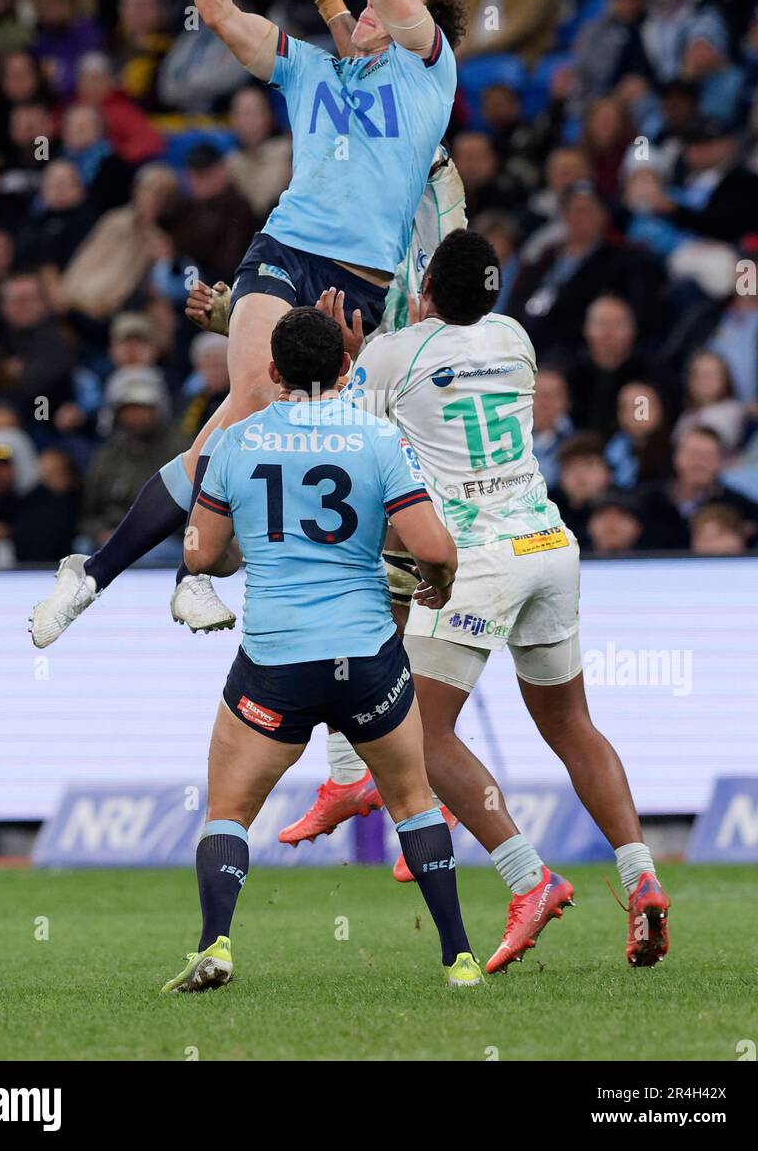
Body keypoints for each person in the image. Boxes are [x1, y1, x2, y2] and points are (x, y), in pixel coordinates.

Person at [30, 0, 467, 648]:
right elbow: (222, 15)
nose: (364, 12)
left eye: (381, 8)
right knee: (256, 395)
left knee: (253, 422)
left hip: (361, 283)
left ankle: (104, 571)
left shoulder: (427, 74)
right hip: (285, 248)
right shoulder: (314, 72)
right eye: (363, 10)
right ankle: (186, 577)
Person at [280, 231, 670, 970]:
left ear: (426, 283)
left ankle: (530, 879)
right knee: (572, 726)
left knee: (420, 733)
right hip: (548, 547)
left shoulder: (398, 353)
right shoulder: (515, 338)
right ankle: (640, 876)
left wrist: (347, 359)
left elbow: (343, 431)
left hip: (477, 557)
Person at [160, 307, 481, 993]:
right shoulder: (377, 438)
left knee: (229, 812)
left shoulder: (235, 443)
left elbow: (206, 555)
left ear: (272, 372)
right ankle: (458, 958)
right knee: (414, 802)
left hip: (276, 662)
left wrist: (251, 542)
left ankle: (215, 943)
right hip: (367, 657)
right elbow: (433, 549)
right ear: (344, 367)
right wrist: (437, 585)